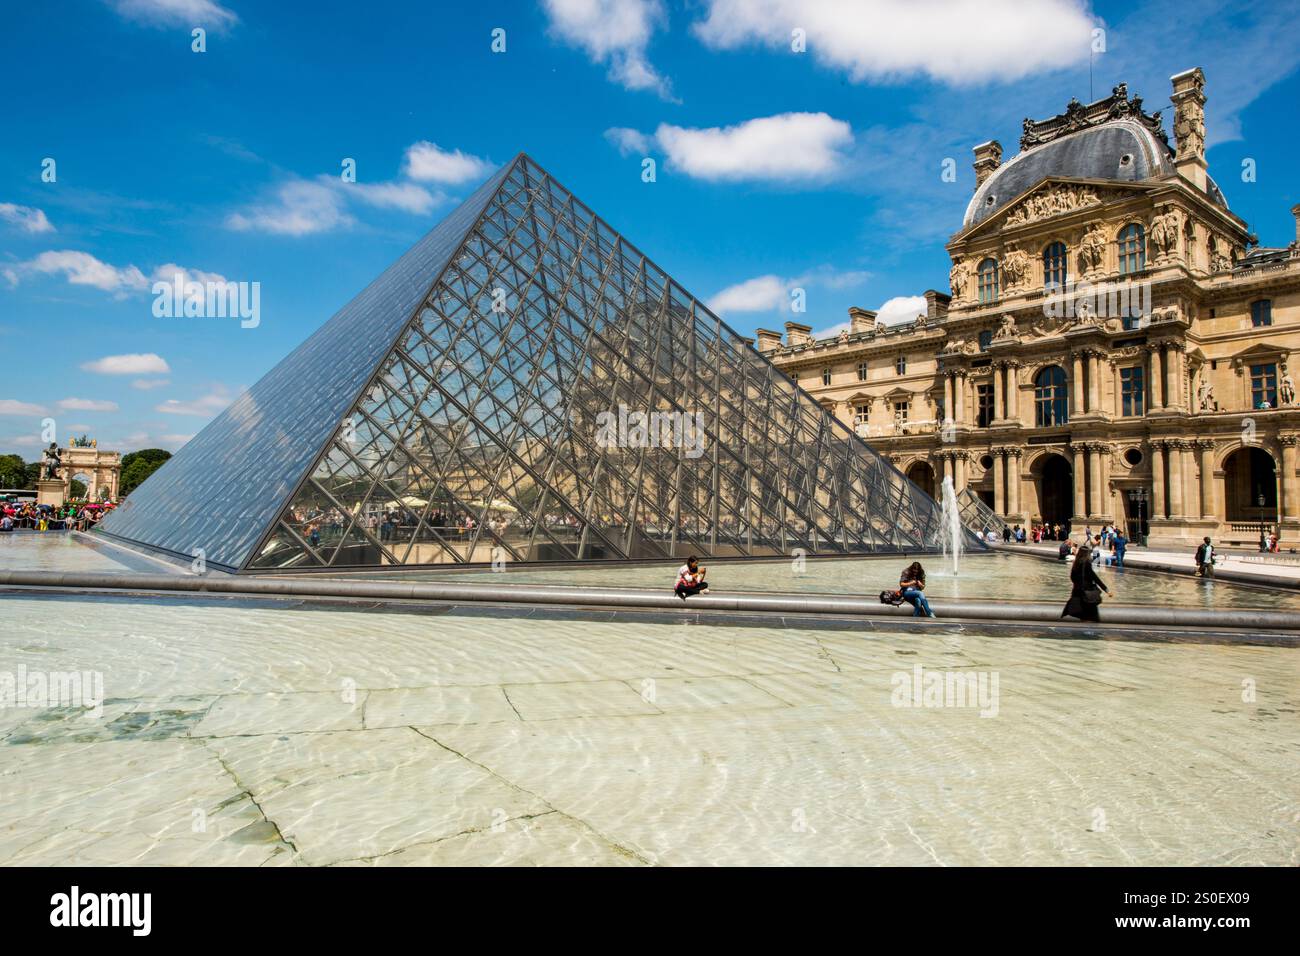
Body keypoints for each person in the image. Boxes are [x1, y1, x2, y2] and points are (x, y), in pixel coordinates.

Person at [1062, 545, 1109, 622]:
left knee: (1080, 610)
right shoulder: (1087, 563)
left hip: (1077, 590)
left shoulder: (1076, 562)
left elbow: (1072, 577)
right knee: (1090, 612)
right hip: (1086, 590)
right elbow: (1094, 577)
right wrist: (1105, 589)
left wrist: (1077, 584)